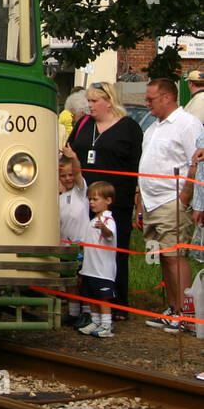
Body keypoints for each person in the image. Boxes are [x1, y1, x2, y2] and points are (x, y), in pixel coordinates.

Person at [66, 81, 142, 319]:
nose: (90, 106)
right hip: (85, 196)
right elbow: (70, 150)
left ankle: (117, 304)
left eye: (95, 101)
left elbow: (135, 163)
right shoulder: (84, 124)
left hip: (116, 200)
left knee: (114, 251)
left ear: (108, 102)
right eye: (88, 101)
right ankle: (87, 305)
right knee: (85, 251)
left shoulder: (128, 127)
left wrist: (136, 194)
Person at [136, 77, 204, 330]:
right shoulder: (153, 128)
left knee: (175, 255)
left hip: (171, 199)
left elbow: (196, 162)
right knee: (163, 255)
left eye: (151, 99)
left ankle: (185, 312)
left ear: (167, 97)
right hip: (151, 201)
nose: (147, 103)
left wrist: (185, 197)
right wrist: (140, 200)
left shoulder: (187, 124)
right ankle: (172, 307)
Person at [77, 181, 118, 338]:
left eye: (95, 199)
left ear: (108, 201)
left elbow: (109, 234)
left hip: (103, 270)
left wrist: (104, 228)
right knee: (92, 296)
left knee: (103, 298)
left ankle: (107, 323)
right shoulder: (92, 221)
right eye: (90, 199)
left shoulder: (108, 220)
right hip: (90, 268)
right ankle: (95, 321)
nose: (91, 202)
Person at [58, 147, 88, 325]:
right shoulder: (58, 197)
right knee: (69, 279)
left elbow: (78, 172)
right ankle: (73, 311)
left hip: (81, 244)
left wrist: (74, 158)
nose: (68, 178)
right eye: (64, 176)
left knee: (82, 279)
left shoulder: (80, 192)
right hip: (65, 245)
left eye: (70, 175)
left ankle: (86, 311)